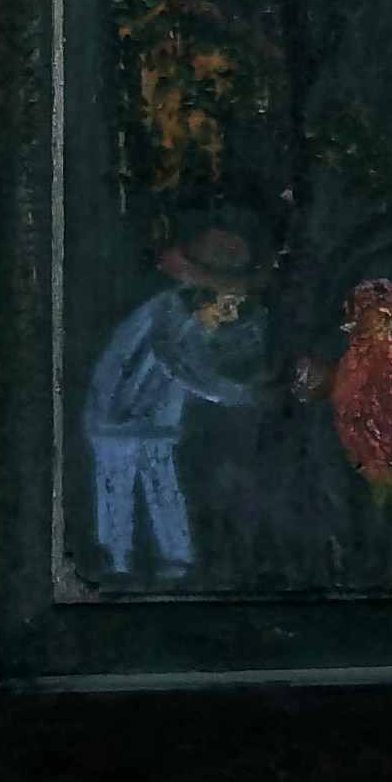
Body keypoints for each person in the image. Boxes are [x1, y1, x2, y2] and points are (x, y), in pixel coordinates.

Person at [84, 228, 269, 583]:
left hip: (154, 423)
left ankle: (175, 560)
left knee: (163, 487)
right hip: (116, 420)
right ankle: (117, 561)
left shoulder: (188, 320)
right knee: (116, 489)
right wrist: (242, 394)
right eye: (227, 305)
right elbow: (184, 367)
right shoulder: (165, 316)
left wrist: (255, 336)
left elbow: (209, 354)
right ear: (201, 294)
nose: (230, 315)